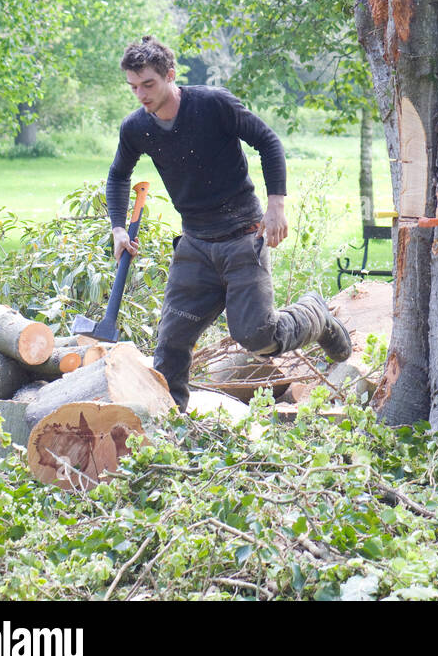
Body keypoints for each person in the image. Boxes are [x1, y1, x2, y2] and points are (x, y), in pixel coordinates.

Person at [105, 35, 351, 411]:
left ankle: (314, 314)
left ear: (170, 75)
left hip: (242, 237)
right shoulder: (136, 128)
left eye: (148, 84)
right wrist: (119, 228)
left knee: (258, 338)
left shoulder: (212, 104)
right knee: (171, 342)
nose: (141, 94)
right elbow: (119, 175)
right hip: (195, 246)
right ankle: (173, 426)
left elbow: (268, 142)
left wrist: (276, 206)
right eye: (133, 87)